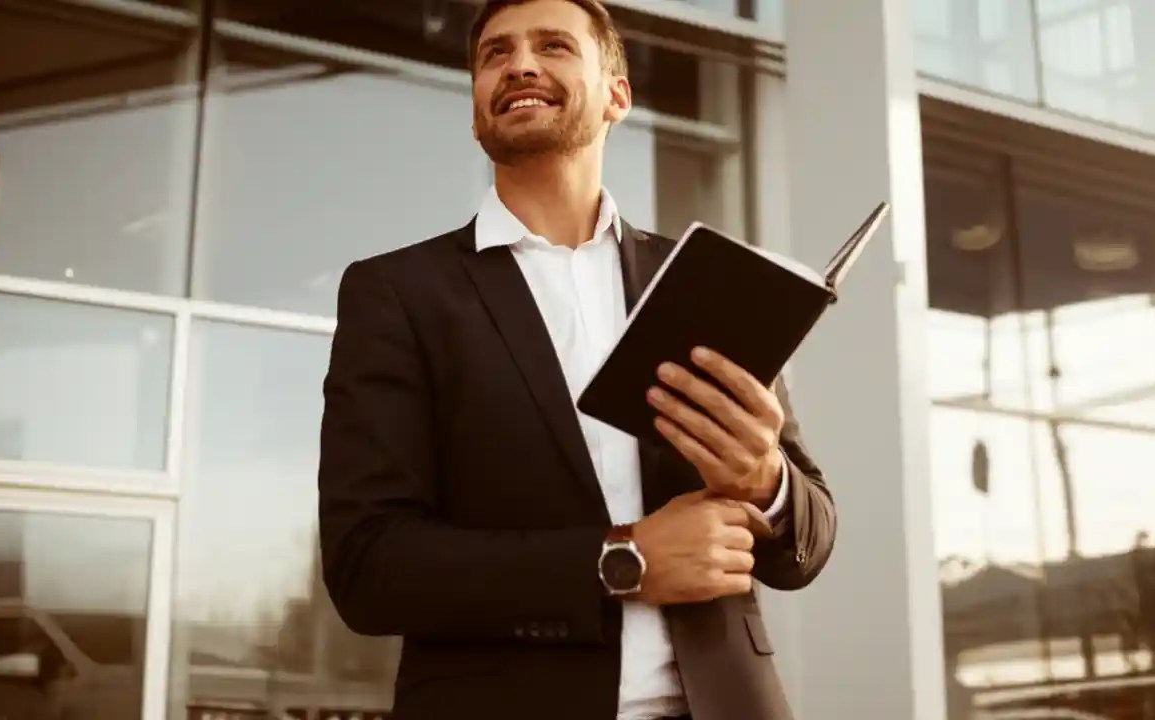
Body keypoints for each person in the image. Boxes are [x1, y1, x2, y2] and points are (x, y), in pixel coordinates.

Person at [316, 1, 837, 718]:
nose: (519, 64)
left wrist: (765, 479)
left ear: (617, 96)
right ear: (477, 109)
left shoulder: (703, 282)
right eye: (495, 55)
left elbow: (807, 545)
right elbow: (368, 568)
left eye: (553, 46)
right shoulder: (397, 295)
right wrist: (622, 560)